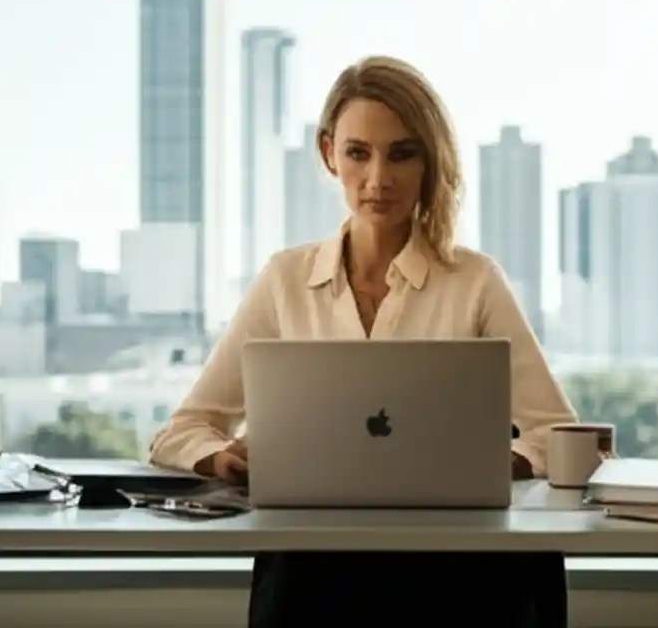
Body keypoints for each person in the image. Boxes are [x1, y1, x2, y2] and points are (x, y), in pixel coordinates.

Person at [149, 55, 579, 626]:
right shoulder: (285, 280)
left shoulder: (474, 282)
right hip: (316, 567)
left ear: (429, 160)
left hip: (456, 570)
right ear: (329, 154)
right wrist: (219, 457)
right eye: (358, 153)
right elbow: (182, 430)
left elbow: (560, 433)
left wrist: (497, 462)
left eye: (402, 153)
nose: (378, 179)